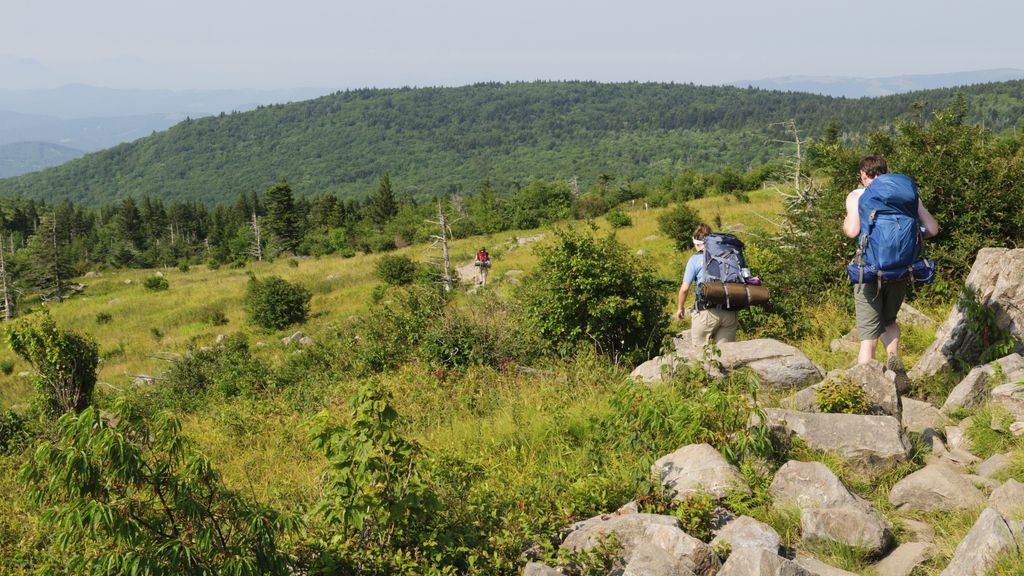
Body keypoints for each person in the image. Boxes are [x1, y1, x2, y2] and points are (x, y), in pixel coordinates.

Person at [843, 155, 939, 388]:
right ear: (886, 172)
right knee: (889, 321)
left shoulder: (858, 195)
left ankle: (865, 390)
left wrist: (846, 221)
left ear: (863, 175)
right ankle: (894, 357)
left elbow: (852, 231)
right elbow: (933, 229)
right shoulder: (907, 195)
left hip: (869, 271)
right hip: (900, 270)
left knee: (868, 337)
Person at [675, 223, 738, 347]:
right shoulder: (729, 255)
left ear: (697, 243)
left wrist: (680, 307)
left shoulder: (695, 259)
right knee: (726, 355)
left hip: (706, 313)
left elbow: (684, 289)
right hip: (730, 312)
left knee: (700, 357)